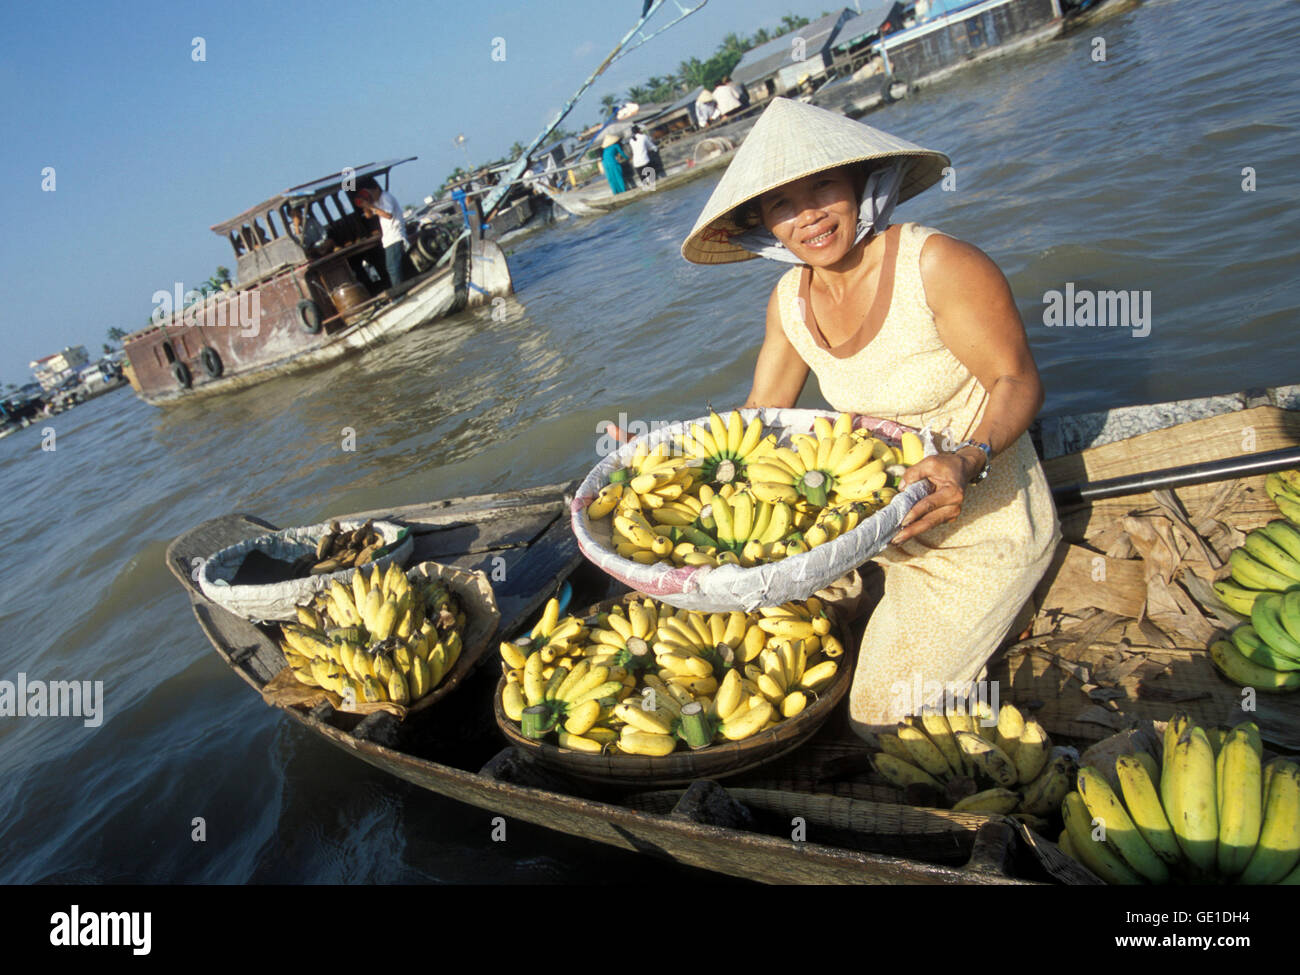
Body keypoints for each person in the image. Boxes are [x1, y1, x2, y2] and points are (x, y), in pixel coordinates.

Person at [680, 98, 1061, 738]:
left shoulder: (936, 265)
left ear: (863, 183)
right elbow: (755, 420)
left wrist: (967, 460)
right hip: (875, 529)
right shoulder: (788, 302)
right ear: (763, 225)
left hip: (982, 517)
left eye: (823, 186)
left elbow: (1017, 380)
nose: (808, 217)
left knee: (879, 721)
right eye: (781, 205)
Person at [355, 176, 408, 289]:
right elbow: (369, 216)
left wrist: (370, 206)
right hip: (389, 238)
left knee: (393, 268)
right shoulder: (377, 202)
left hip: (395, 236)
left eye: (370, 194)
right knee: (392, 267)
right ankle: (400, 289)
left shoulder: (385, 197)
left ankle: (400, 291)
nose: (370, 197)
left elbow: (388, 215)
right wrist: (365, 206)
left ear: (376, 189)